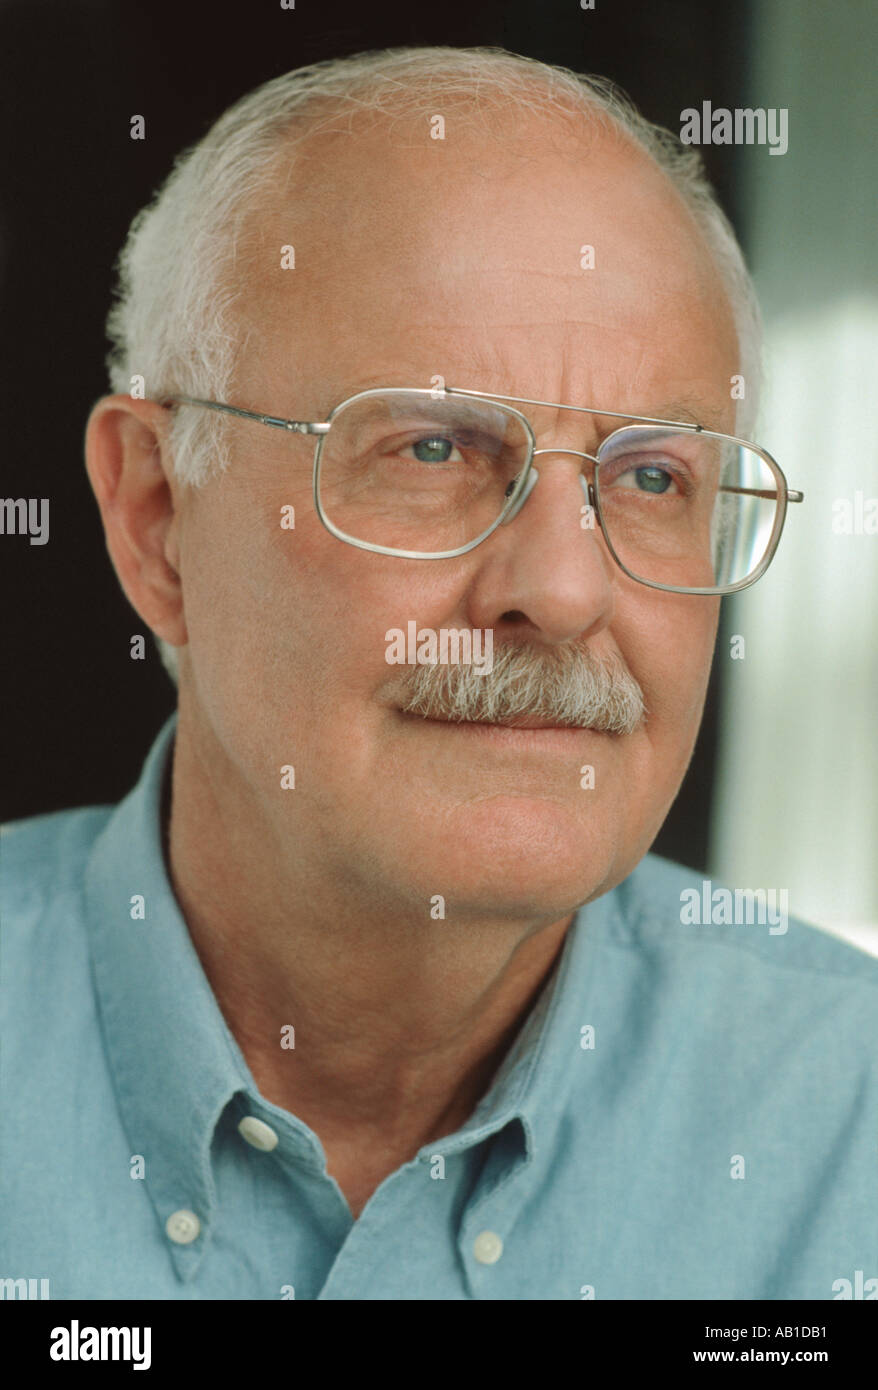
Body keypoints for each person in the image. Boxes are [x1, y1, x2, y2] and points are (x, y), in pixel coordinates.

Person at [2, 46, 875, 1302]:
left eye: (648, 477)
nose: (565, 592)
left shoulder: (849, 1125)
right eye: (430, 448)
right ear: (156, 518)